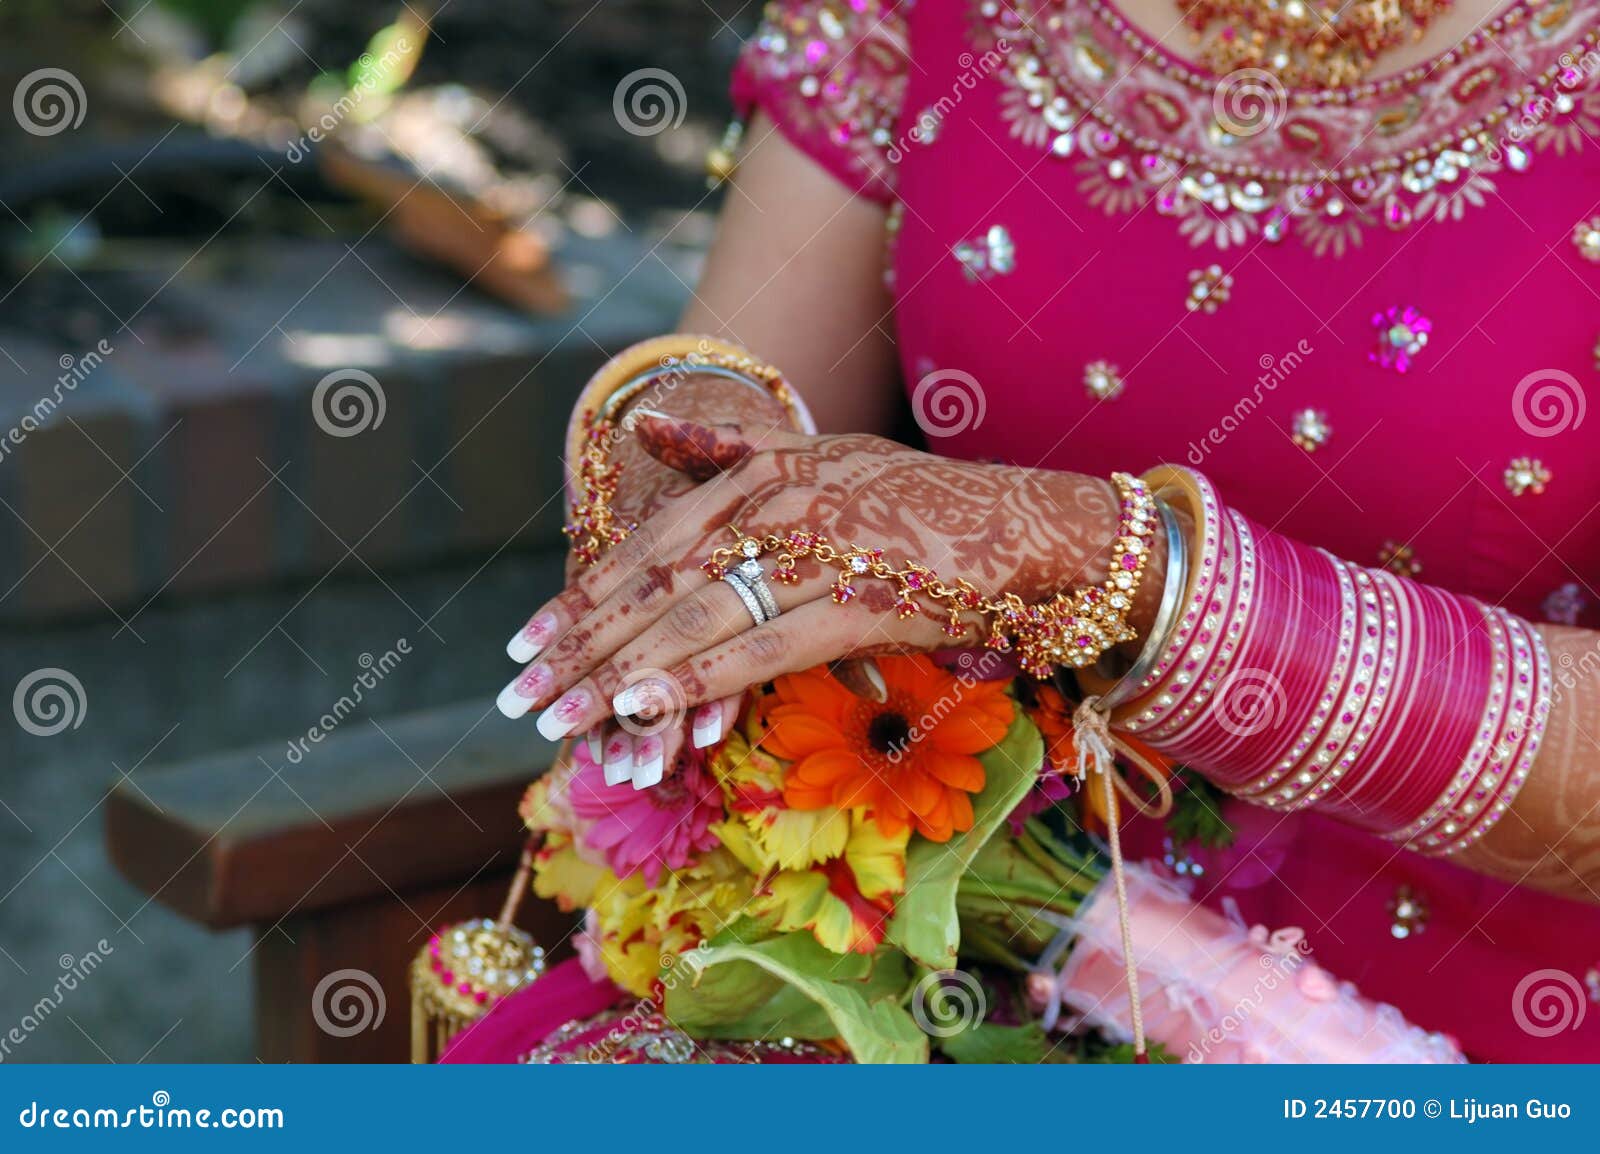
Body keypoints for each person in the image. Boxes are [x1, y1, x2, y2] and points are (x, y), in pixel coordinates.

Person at [476, 0, 1600, 1062]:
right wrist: (692, 456)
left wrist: (1134, 572)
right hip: (954, 938)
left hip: (1470, 1016)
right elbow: (737, 375)